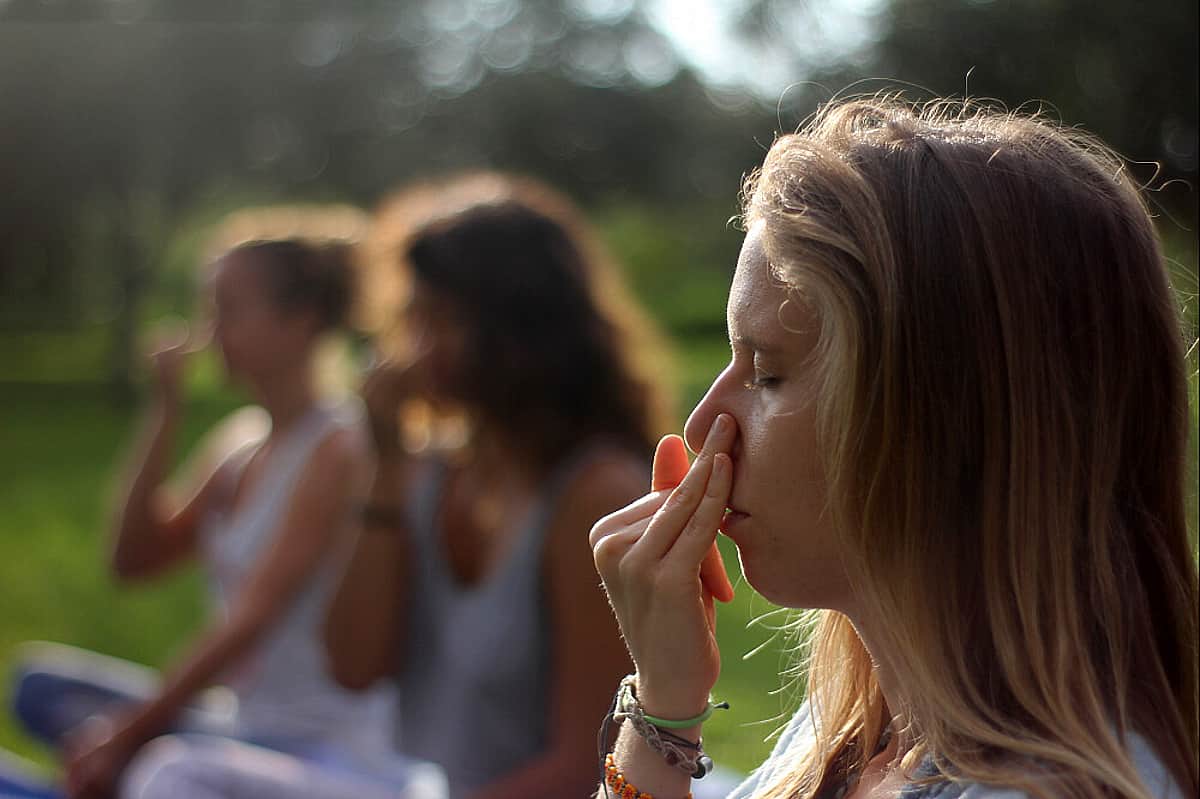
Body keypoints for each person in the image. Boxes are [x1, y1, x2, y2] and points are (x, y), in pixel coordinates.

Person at [591, 95, 1198, 799]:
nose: (701, 425)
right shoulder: (852, 734)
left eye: (766, 373)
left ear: (940, 418)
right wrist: (664, 705)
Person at [11, 214, 434, 798]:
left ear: (301, 323)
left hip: (312, 745)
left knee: (149, 764)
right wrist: (164, 411)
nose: (208, 331)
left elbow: (251, 620)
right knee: (36, 684)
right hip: (240, 720)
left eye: (228, 310)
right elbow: (132, 561)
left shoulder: (339, 446)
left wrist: (127, 735)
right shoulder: (240, 441)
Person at [322, 173, 673, 798]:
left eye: (446, 320)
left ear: (525, 328)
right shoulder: (429, 473)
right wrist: (383, 470)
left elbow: (593, 766)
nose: (417, 348)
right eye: (413, 319)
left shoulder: (596, 495)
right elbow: (352, 666)